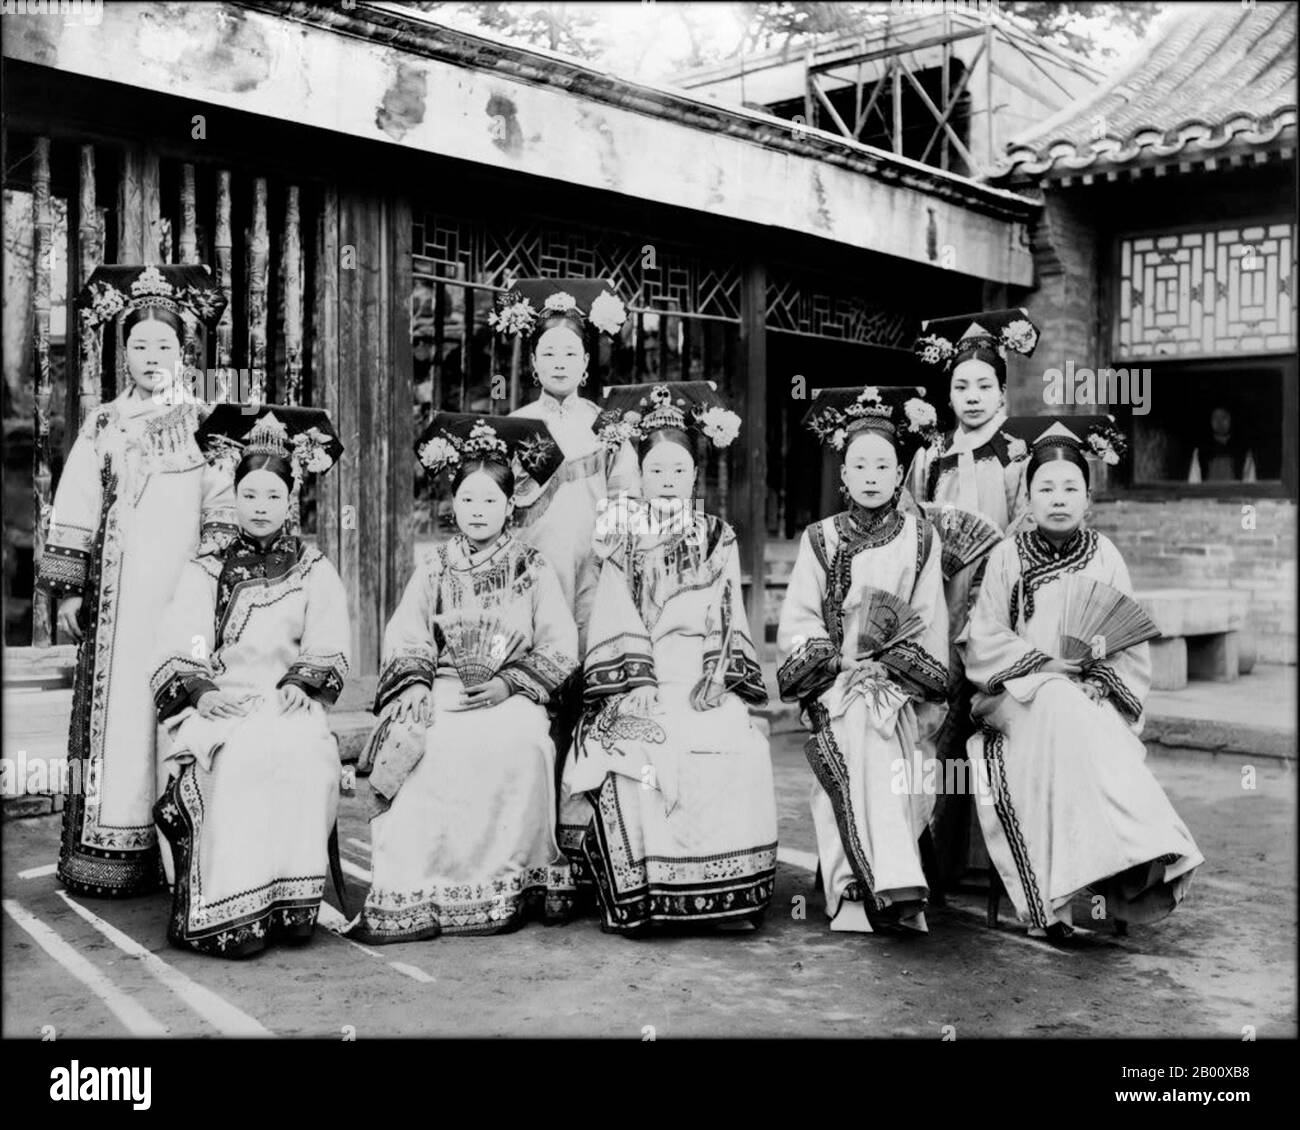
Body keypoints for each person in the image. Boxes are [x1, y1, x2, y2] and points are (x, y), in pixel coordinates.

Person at [961, 417, 1203, 943]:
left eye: (1071, 487)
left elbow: (1128, 642)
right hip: (1015, 696)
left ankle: (1100, 872)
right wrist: (1042, 664)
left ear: (1088, 498)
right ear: (1028, 497)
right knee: (1055, 700)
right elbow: (981, 639)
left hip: (1088, 697)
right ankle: (1101, 869)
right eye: (1045, 487)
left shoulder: (1105, 555)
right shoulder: (1009, 555)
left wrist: (1102, 680)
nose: (1058, 498)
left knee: (1077, 715)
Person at [36, 264, 234, 898]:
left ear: (186, 354)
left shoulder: (208, 423)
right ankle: (115, 847)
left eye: (166, 346)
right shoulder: (104, 425)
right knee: (120, 717)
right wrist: (68, 589)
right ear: (124, 354)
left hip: (189, 598)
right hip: (120, 605)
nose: (153, 357)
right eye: (141, 345)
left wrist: (210, 578)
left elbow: (224, 510)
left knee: (182, 707)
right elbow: (75, 506)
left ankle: (191, 853)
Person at [350, 413, 579, 941]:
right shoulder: (435, 566)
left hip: (510, 689)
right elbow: (407, 635)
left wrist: (510, 683)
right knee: (430, 746)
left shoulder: (532, 566)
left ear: (510, 505)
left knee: (525, 744)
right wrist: (414, 685)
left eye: (490, 501)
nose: (478, 511)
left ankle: (512, 882)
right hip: (446, 687)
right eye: (468, 500)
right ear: (453, 504)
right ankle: (424, 889)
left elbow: (560, 643)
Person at [562, 381, 777, 934]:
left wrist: (717, 677)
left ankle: (728, 896)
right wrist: (637, 681)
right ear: (641, 476)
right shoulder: (623, 536)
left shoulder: (716, 536)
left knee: (737, 738)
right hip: (640, 675)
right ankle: (646, 895)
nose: (667, 481)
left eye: (678, 471)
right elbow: (614, 614)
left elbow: (728, 613)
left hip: (702, 675)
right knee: (641, 741)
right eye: (656, 470)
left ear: (694, 477)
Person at [150, 406, 350, 958]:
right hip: (223, 699)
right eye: (250, 494)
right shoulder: (208, 565)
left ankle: (290, 906)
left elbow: (328, 641)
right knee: (240, 760)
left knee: (305, 754)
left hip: (285, 697)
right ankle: (229, 911)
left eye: (272, 496)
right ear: (233, 497)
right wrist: (202, 692)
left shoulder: (313, 566)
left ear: (291, 501)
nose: (260, 507)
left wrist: (303, 684)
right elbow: (181, 641)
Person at [778, 386, 949, 934]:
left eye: (883, 464)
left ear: (900, 474)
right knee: (854, 720)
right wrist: (836, 664)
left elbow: (930, 620)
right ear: (844, 475)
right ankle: (882, 882)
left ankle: (862, 880)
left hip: (897, 682)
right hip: (835, 678)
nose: (871, 475)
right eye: (859, 465)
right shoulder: (820, 539)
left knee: (875, 723)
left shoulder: (922, 540)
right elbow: (800, 619)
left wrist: (890, 667)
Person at [907, 309, 1042, 889]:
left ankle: (986, 860)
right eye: (961, 385)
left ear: (1003, 390)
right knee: (934, 722)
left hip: (994, 603)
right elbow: (912, 522)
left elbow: (1023, 531)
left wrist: (997, 583)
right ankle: (929, 855)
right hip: (937, 600)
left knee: (978, 722)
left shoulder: (1016, 454)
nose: (972, 396)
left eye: (984, 385)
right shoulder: (929, 454)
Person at [497, 279, 641, 777]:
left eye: (570, 353)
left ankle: (581, 799)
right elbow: (496, 505)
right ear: (533, 362)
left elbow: (627, 497)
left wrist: (613, 551)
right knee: (536, 680)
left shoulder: (609, 424)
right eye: (548, 352)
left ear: (585, 362)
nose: (559, 362)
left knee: (586, 680)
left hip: (593, 569)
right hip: (534, 567)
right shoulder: (513, 426)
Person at [1188, 405, 1258, 483]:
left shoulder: (1243, 450)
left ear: (1230, 419)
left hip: (1235, 494)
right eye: (1215, 418)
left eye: (1223, 417)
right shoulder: (1201, 450)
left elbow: (1250, 482)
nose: (1219, 422)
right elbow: (1194, 481)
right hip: (1208, 494)